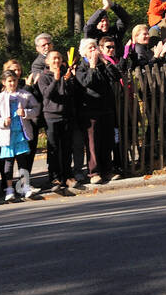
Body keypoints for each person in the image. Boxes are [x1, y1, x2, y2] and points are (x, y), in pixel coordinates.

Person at [0, 69, 42, 202]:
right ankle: (9, 189)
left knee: (23, 161)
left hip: (21, 134)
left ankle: (25, 186)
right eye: (9, 81)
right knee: (8, 163)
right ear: (4, 82)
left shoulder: (25, 95)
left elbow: (36, 109)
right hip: (7, 135)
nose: (12, 83)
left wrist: (25, 113)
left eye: (14, 80)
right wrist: (2, 122)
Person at [75, 38, 120, 184]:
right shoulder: (81, 67)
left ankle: (107, 170)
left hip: (106, 108)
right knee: (93, 143)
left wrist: (105, 62)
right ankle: (94, 172)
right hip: (90, 111)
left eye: (95, 47)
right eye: (90, 48)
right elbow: (87, 82)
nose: (93, 50)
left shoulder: (103, 65)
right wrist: (93, 66)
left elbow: (116, 76)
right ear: (84, 52)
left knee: (107, 141)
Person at [36, 50, 79, 193]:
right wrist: (56, 79)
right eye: (53, 59)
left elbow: (71, 94)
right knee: (54, 148)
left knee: (67, 148)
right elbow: (47, 95)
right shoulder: (43, 77)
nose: (56, 61)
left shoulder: (65, 74)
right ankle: (54, 177)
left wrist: (69, 80)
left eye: (59, 58)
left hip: (66, 115)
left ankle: (68, 175)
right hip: (51, 116)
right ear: (47, 62)